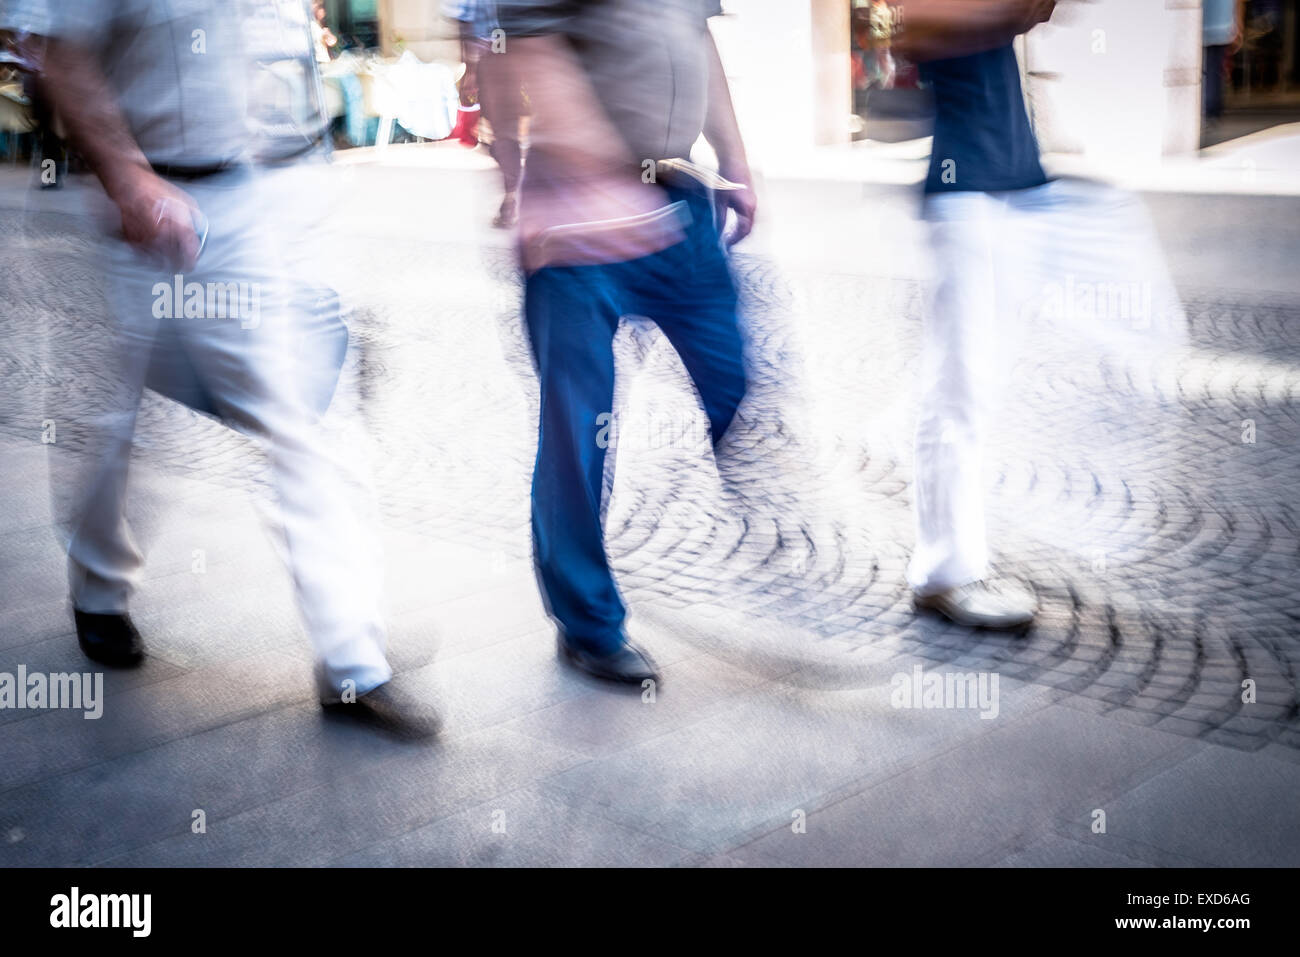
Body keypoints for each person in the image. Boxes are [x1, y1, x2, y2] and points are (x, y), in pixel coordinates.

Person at [34, 0, 436, 735]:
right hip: (145, 207)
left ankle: (352, 658)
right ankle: (98, 586)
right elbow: (61, 51)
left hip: (261, 203)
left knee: (306, 417)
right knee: (117, 421)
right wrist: (127, 177)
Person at [485, 0, 756, 684]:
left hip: (682, 195)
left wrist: (735, 157)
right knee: (580, 428)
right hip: (575, 211)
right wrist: (599, 179)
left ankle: (780, 539)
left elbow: (697, 38)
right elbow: (525, 49)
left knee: (735, 381)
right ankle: (588, 625)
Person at [444, 0, 527, 227]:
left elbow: (463, 18)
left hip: (496, 57)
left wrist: (470, 70)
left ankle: (513, 200)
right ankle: (515, 198)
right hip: (528, 52)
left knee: (503, 134)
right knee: (504, 133)